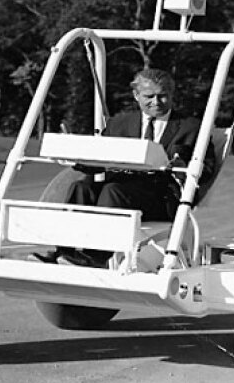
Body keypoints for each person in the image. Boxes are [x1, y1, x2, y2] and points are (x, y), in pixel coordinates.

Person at [52, 67, 218, 267]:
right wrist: (75, 155)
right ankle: (63, 253)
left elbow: (207, 169)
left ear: (172, 95)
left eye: (163, 96)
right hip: (121, 189)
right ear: (136, 95)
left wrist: (181, 165)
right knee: (82, 188)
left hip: (162, 197)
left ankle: (95, 256)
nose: (156, 102)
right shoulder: (120, 124)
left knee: (113, 191)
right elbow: (98, 161)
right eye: (149, 96)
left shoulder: (191, 127)